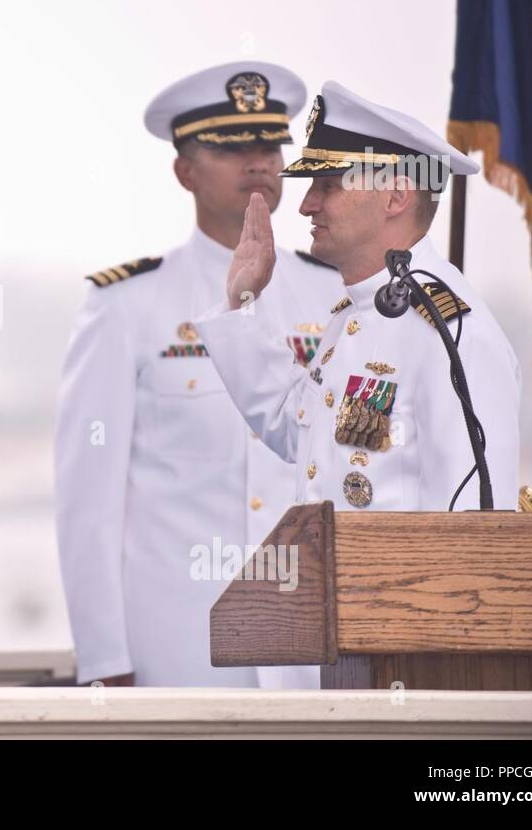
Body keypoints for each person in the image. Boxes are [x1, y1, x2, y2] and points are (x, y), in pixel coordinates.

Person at [55, 62, 340, 688]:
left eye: (269, 145)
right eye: (233, 148)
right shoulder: (126, 304)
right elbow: (88, 503)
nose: (258, 162)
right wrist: (105, 661)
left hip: (315, 647)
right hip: (181, 647)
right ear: (184, 171)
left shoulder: (334, 297)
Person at [196, 80, 521, 512]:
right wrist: (242, 307)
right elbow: (295, 428)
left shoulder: (454, 335)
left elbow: (472, 536)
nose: (306, 205)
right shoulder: (355, 316)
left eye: (328, 185)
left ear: (397, 196)